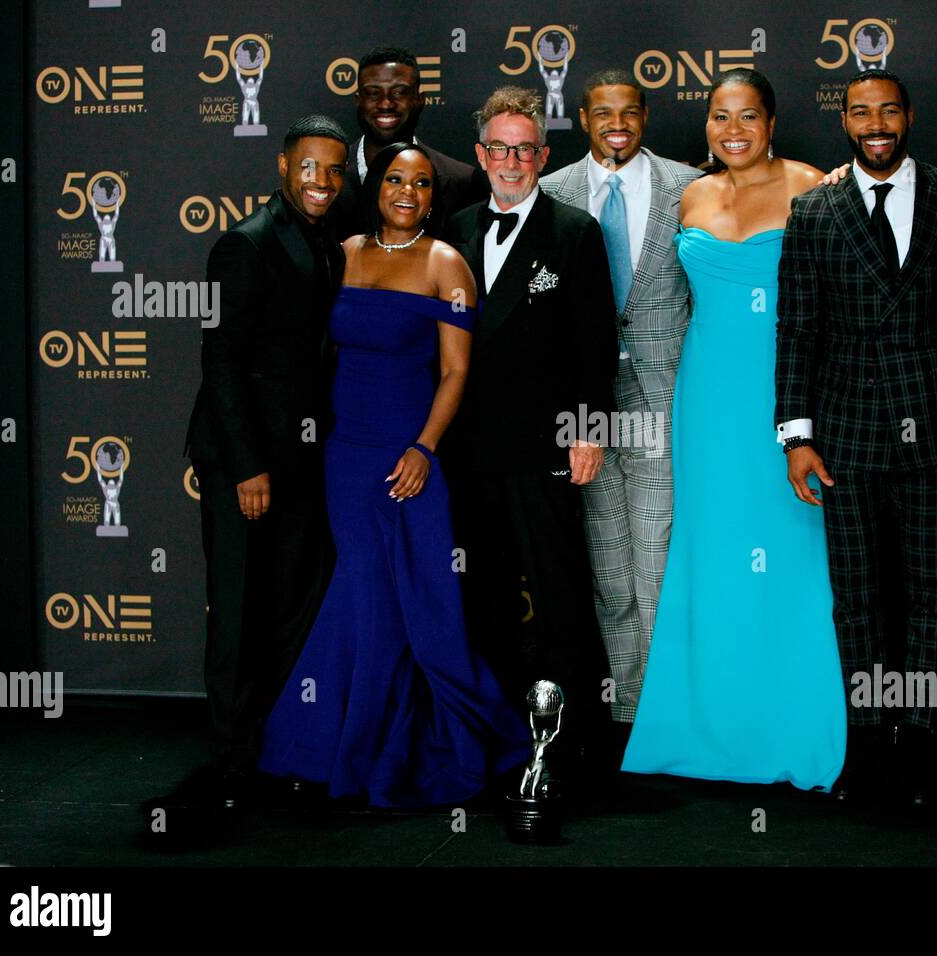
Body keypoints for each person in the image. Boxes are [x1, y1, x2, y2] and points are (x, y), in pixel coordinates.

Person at [257, 143, 531, 807]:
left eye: (420, 183)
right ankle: (346, 743)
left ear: (434, 198)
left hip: (411, 457)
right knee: (363, 589)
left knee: (418, 602)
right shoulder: (342, 253)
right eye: (394, 180)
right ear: (376, 187)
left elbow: (457, 371)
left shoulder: (446, 263)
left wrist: (424, 448)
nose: (406, 191)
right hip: (346, 456)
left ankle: (363, 748)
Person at [622, 69, 847, 791]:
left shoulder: (814, 185)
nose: (734, 129)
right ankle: (703, 726)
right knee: (710, 550)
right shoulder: (691, 194)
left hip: (787, 395)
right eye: (721, 117)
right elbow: (658, 303)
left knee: (790, 554)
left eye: (748, 115)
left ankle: (788, 723)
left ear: (772, 121)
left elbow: (844, 295)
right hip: (707, 396)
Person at [775, 70, 937, 805]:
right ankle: (866, 742)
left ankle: (921, 738)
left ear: (909, 116)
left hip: (934, 429)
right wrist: (795, 437)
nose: (876, 124)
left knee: (930, 596)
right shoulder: (814, 210)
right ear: (846, 124)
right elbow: (796, 327)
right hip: (847, 433)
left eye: (888, 110)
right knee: (857, 599)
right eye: (861, 113)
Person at [442, 86, 620, 791]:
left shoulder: (573, 230)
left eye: (525, 149)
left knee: (559, 591)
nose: (512, 161)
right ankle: (495, 733)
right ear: (481, 155)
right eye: (499, 148)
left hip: (544, 445)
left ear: (544, 157)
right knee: (480, 590)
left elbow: (596, 343)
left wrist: (589, 431)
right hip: (465, 451)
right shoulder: (450, 227)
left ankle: (570, 744)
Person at [183, 115, 349, 805]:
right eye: (310, 168)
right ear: (284, 168)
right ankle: (227, 758)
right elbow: (221, 361)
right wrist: (248, 466)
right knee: (240, 610)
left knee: (292, 608)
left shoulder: (330, 247)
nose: (322, 181)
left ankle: (278, 748)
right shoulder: (244, 244)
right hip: (245, 462)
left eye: (335, 171)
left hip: (305, 458)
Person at [540, 69, 703, 730]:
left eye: (629, 112)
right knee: (609, 568)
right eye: (603, 112)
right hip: (585, 404)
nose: (617, 124)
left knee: (658, 559)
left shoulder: (689, 187)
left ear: (645, 116)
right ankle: (625, 715)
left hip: (664, 396)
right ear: (582, 118)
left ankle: (668, 712)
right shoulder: (553, 192)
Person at [329, 46, 488, 241]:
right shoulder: (328, 179)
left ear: (419, 100)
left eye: (399, 93)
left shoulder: (460, 182)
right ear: (358, 101)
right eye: (373, 93)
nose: (386, 104)